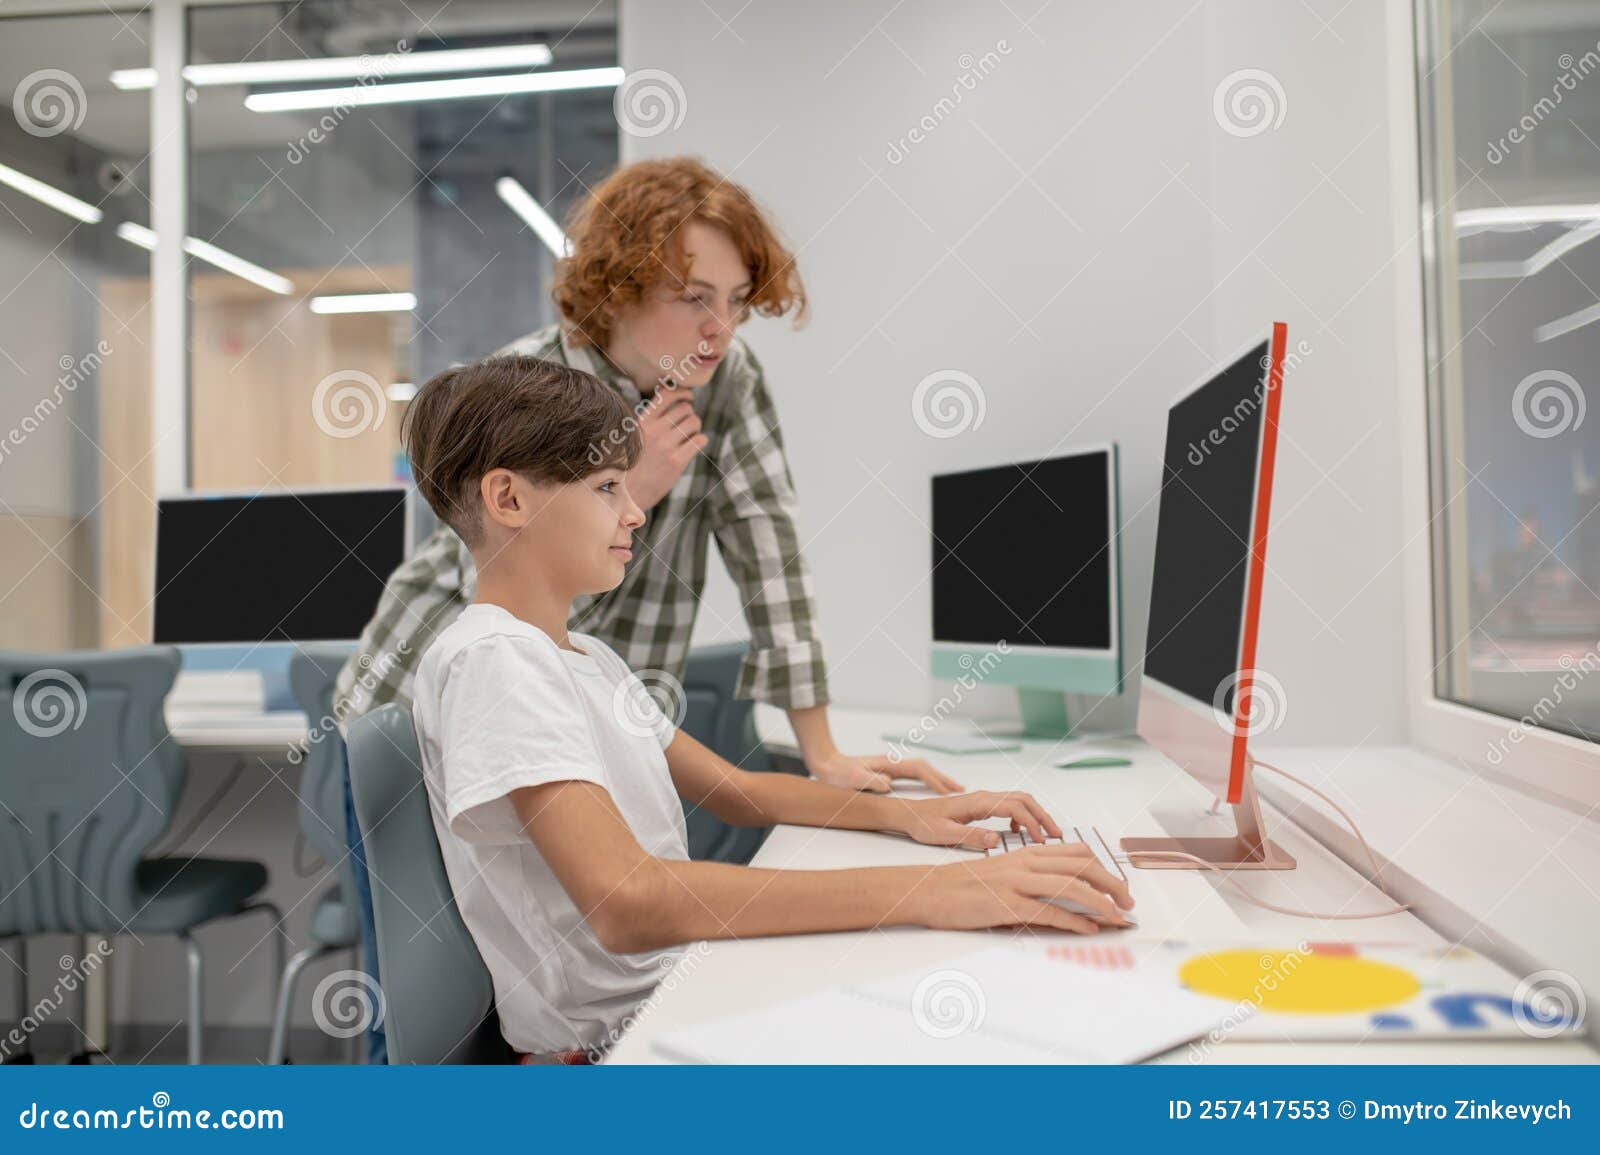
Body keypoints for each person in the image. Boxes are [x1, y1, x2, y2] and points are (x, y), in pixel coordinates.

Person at [333, 157, 958, 1062]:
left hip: (567, 665)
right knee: (432, 981)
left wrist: (831, 760)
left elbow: (767, 550)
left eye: (737, 301)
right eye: (694, 298)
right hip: (453, 674)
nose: (720, 330)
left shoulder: (725, 390)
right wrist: (646, 482)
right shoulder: (528, 388)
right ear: (617, 290)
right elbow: (492, 582)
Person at [404, 354, 1135, 1059]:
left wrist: (906, 815)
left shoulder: (584, 657)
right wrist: (934, 890)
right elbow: (628, 903)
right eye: (605, 488)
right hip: (619, 1044)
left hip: (673, 993)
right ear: (509, 499)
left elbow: (741, 793)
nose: (635, 513)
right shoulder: (494, 662)